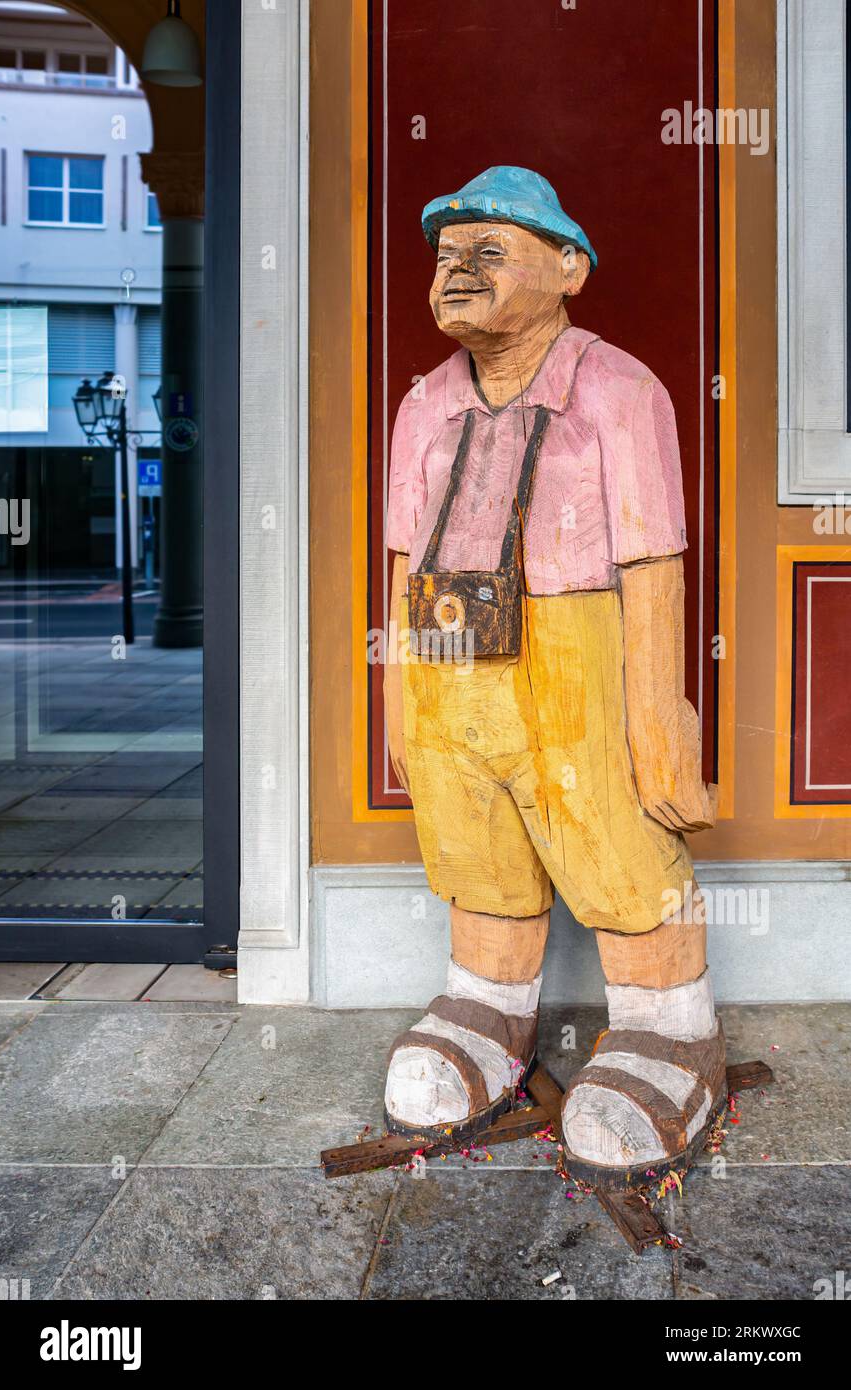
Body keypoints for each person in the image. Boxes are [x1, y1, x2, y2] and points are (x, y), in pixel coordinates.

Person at [382, 166, 722, 1186]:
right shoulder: (422, 405)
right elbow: (401, 557)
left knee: (611, 836)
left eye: (488, 252)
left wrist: (658, 712)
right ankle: (487, 1006)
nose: (457, 273)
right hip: (444, 641)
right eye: (447, 256)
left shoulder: (620, 391)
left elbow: (655, 561)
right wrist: (402, 698)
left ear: (568, 267)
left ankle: (671, 1029)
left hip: (577, 649)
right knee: (473, 836)